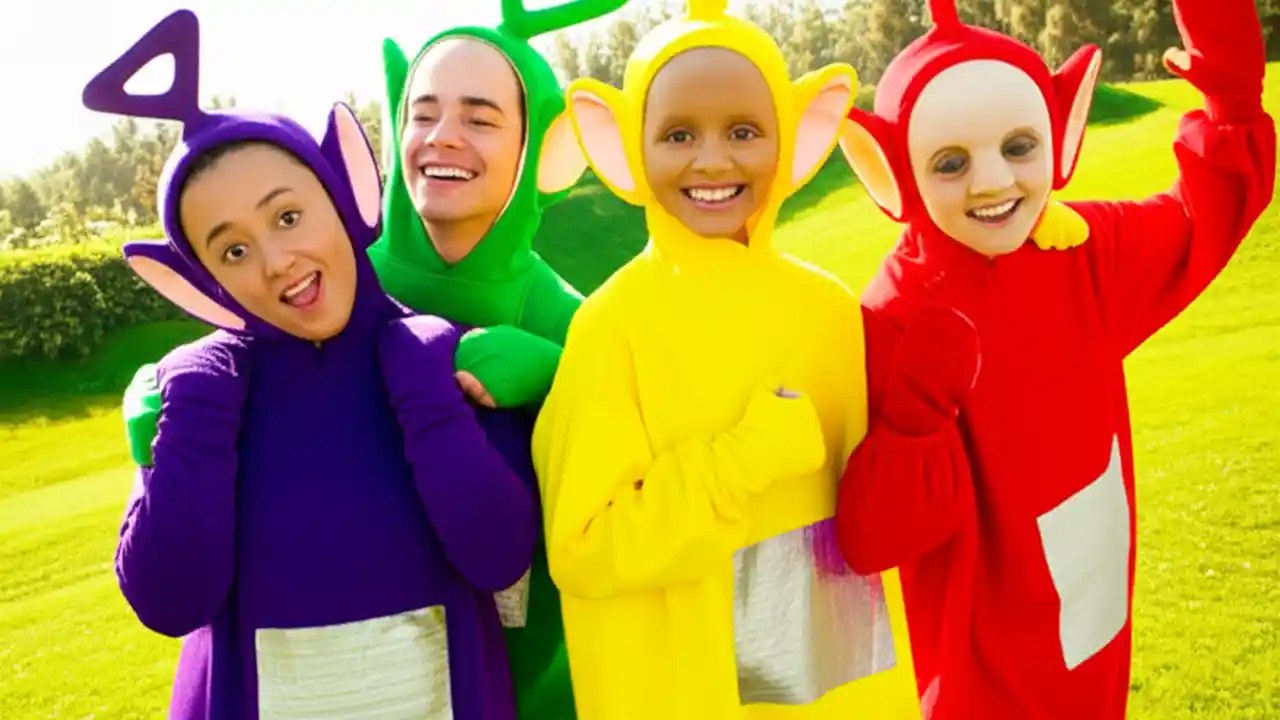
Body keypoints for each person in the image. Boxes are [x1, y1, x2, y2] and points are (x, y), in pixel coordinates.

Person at [83, 10, 538, 718]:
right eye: (232, 250)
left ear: (348, 193)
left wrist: (427, 396)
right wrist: (195, 416)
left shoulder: (441, 357)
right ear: (199, 285)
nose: (276, 262)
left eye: (288, 216)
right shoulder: (202, 394)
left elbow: (500, 554)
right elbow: (170, 600)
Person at [832, 0, 1275, 717]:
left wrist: (1230, 95)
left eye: (1018, 148)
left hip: (1092, 647)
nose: (992, 183)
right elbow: (871, 539)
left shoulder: (1081, 253)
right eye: (950, 163)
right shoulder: (892, 314)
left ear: (1059, 139)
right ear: (893, 173)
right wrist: (914, 419)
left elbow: (1202, 218)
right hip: (975, 682)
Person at [530, 0, 922, 717]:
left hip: (838, 691)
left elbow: (860, 523)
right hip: (686, 689)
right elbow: (583, 547)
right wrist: (737, 460)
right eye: (678, 134)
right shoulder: (613, 325)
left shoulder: (829, 309)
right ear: (629, 149)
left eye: (744, 131)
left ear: (792, 140)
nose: (712, 159)